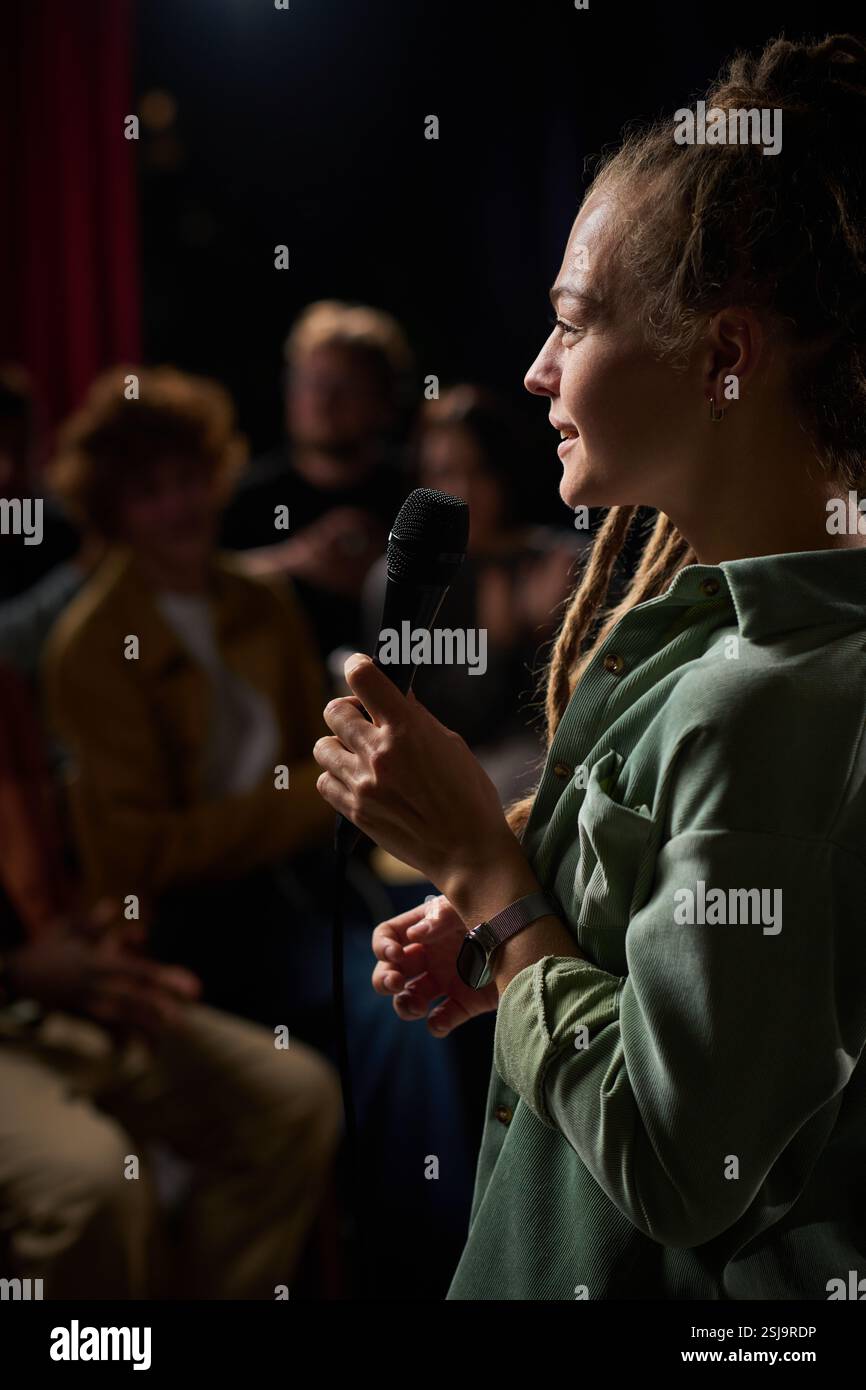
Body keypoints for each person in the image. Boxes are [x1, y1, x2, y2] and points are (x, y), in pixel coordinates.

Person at [314, 33, 866, 1300]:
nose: (534, 371)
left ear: (723, 355)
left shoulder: (771, 690)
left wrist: (489, 881)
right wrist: (527, 918)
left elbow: (683, 1160)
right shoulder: (710, 632)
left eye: (570, 322)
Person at [0, 661, 343, 1299]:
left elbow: (58, 861)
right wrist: (16, 971)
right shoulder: (96, 640)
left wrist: (93, 931)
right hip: (15, 1012)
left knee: (295, 1097)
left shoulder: (11, 685)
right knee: (90, 1180)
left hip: (53, 1003)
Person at [363, 386, 589, 806]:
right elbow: (415, 720)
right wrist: (496, 645)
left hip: (552, 773)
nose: (464, 490)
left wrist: (548, 632)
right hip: (444, 783)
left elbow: (589, 711)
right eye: (445, 473)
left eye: (480, 471)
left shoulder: (562, 562)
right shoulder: (401, 580)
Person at [221, 300, 414, 662]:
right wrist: (295, 560)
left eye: (345, 385)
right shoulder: (244, 496)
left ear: (385, 399)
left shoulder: (417, 491)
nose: (324, 400)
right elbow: (196, 582)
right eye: (310, 382)